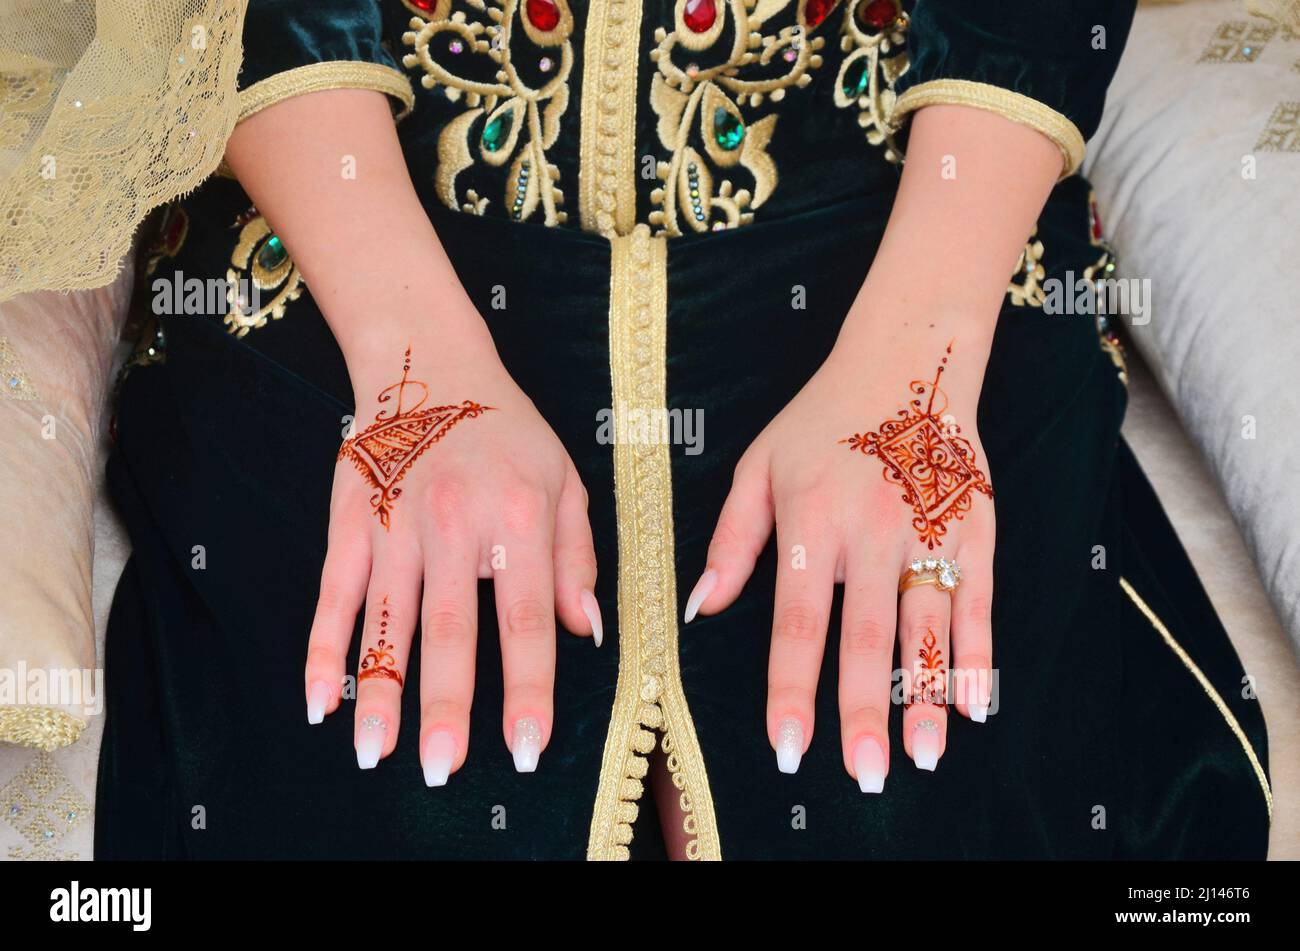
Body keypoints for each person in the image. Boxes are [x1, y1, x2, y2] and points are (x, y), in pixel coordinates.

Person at [95, 0, 1270, 859]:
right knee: (419, 795)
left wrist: (920, 359)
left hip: (910, 193)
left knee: (899, 796)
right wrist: (414, 369)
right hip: (356, 186)